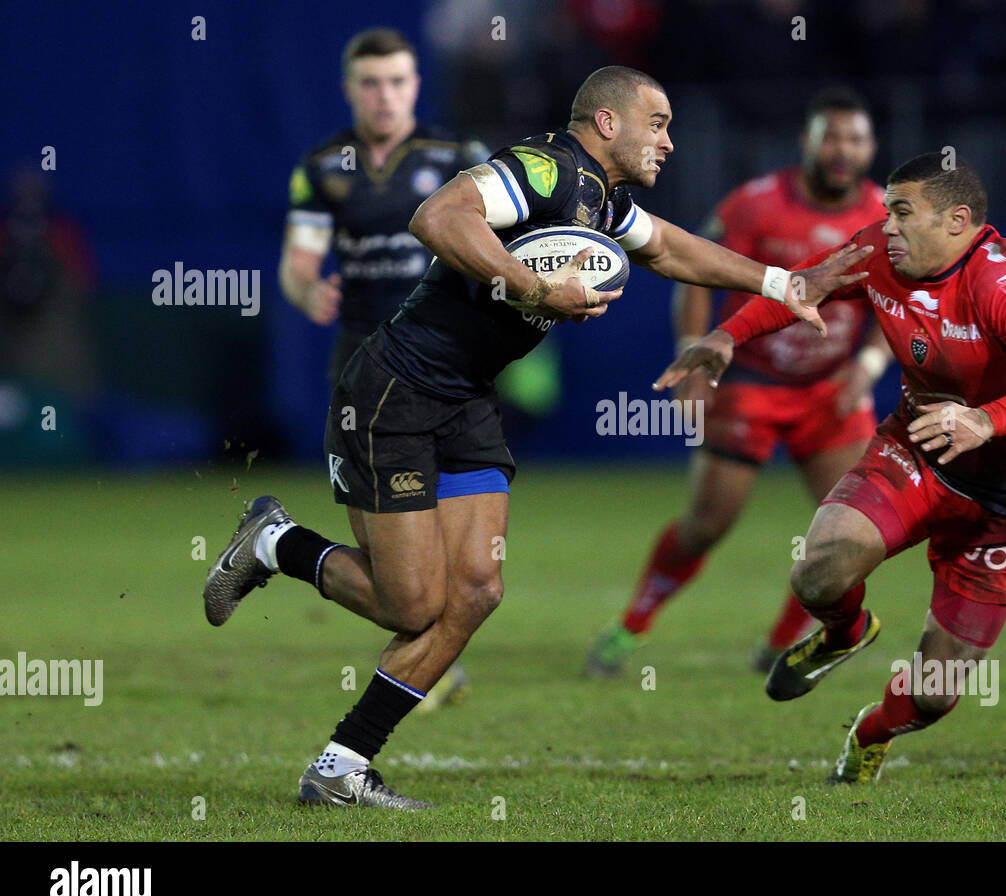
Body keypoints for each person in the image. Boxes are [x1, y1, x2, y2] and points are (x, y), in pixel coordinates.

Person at [204, 66, 869, 808]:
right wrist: (537, 286)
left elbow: (669, 250)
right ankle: (272, 542)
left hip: (466, 400)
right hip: (394, 392)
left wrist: (783, 284)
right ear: (609, 124)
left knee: (479, 589)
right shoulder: (545, 168)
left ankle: (341, 764)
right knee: (409, 603)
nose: (671, 143)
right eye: (659, 124)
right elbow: (439, 215)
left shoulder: (606, 195)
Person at [655, 152, 1006, 784]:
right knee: (817, 571)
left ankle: (871, 732)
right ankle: (843, 633)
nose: (885, 225)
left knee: (935, 694)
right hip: (915, 449)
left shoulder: (1005, 284)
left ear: (957, 220)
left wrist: (986, 420)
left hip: (1003, 501)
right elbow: (808, 284)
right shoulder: (879, 254)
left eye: (902, 212)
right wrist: (728, 336)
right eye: (886, 210)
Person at [585, 87, 891, 677]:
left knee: (856, 534)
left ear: (870, 146)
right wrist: (692, 356)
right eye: (831, 136)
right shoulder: (755, 205)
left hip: (830, 388)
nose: (842, 150)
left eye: (855, 139)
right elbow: (696, 276)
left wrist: (868, 367)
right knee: (708, 523)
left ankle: (780, 643)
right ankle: (630, 627)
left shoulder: (882, 217)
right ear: (806, 141)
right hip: (749, 378)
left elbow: (891, 305)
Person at [279, 28, 487, 706]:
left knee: (462, 559)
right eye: (371, 83)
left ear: (415, 85)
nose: (385, 95)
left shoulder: (457, 159)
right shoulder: (322, 166)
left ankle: (420, 648)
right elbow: (298, 261)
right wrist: (309, 288)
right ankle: (421, 643)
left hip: (446, 368)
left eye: (397, 81)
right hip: (363, 374)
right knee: (390, 563)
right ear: (350, 90)